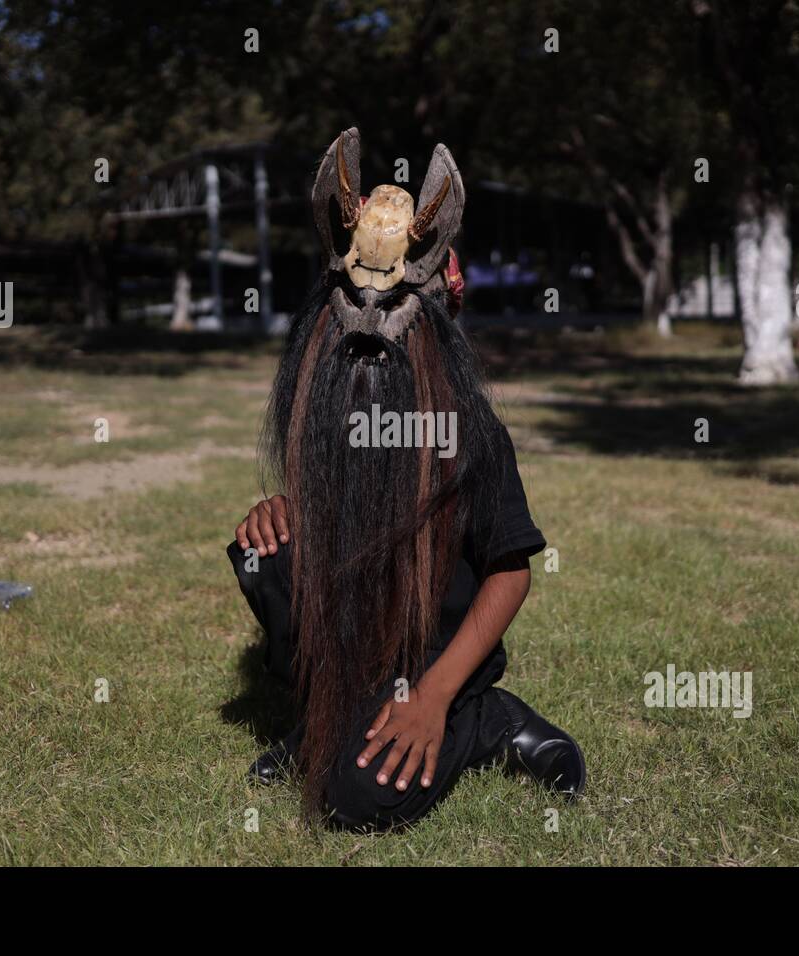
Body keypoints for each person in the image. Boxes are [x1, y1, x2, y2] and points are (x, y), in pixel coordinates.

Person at [226, 129, 584, 830]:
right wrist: (279, 510)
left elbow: (511, 575)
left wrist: (432, 698)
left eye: (390, 313)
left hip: (434, 660)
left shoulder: (469, 431)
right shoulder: (327, 411)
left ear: (429, 323)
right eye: (348, 310)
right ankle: (325, 720)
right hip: (365, 649)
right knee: (261, 555)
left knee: (357, 802)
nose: (366, 333)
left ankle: (486, 719)